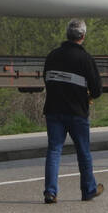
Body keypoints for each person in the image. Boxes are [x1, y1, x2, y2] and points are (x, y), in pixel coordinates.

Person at [42, 19, 103, 203]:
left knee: (54, 151)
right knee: (83, 151)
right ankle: (88, 190)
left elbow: (47, 80)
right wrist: (87, 96)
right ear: (83, 36)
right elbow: (97, 90)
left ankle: (50, 192)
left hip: (53, 111)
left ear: (67, 35)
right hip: (77, 113)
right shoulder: (85, 59)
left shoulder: (52, 55)